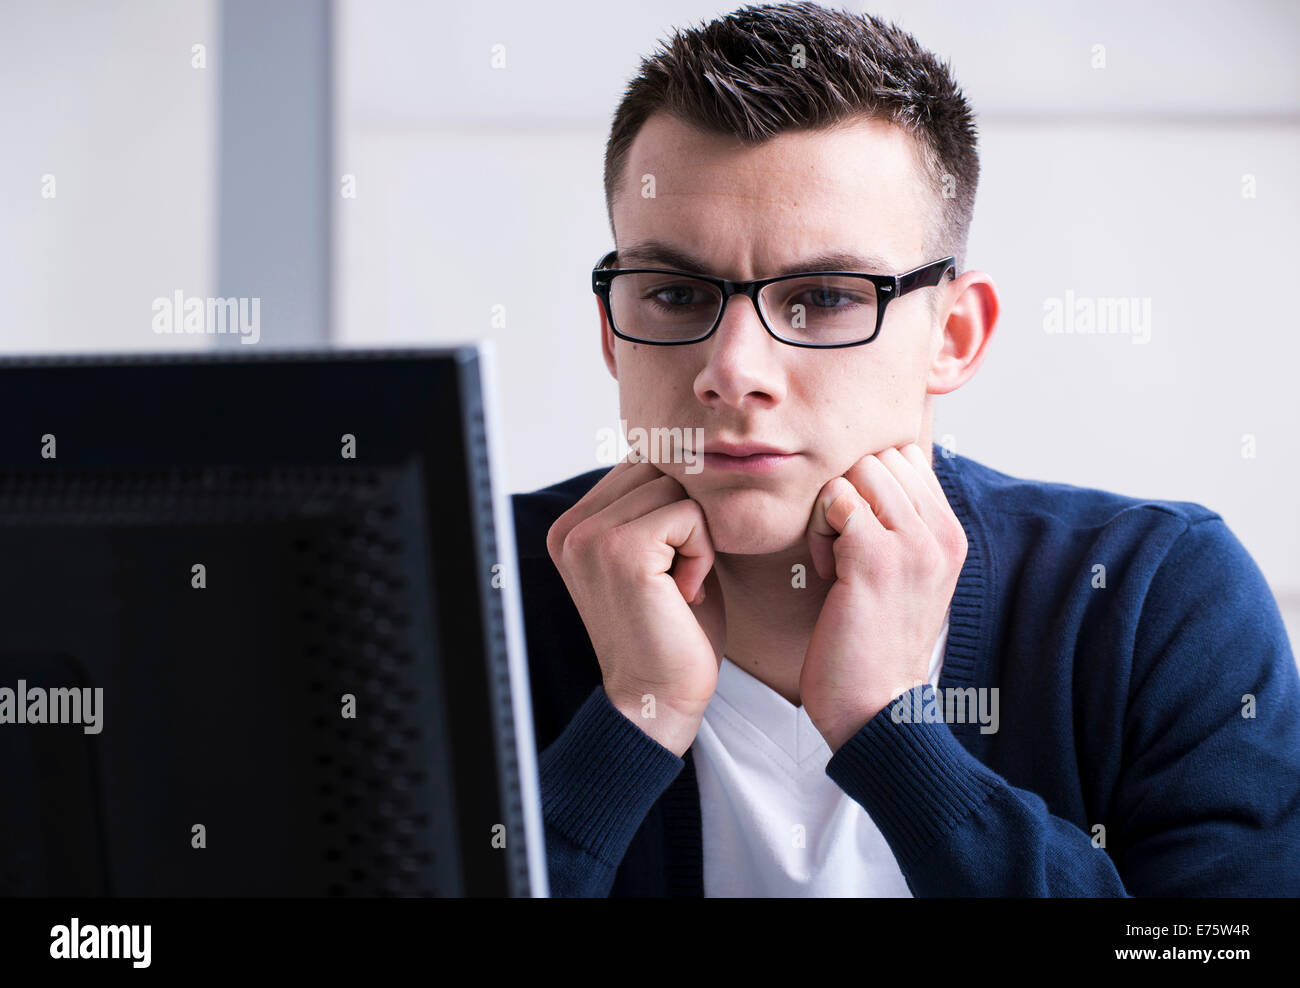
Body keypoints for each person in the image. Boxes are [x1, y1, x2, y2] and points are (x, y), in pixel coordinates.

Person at [510, 1, 1300, 897]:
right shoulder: (452, 588)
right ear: (613, 335)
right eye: (676, 296)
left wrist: (893, 732)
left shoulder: (1157, 598)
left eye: (826, 296)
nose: (732, 373)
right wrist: (627, 724)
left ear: (954, 335)